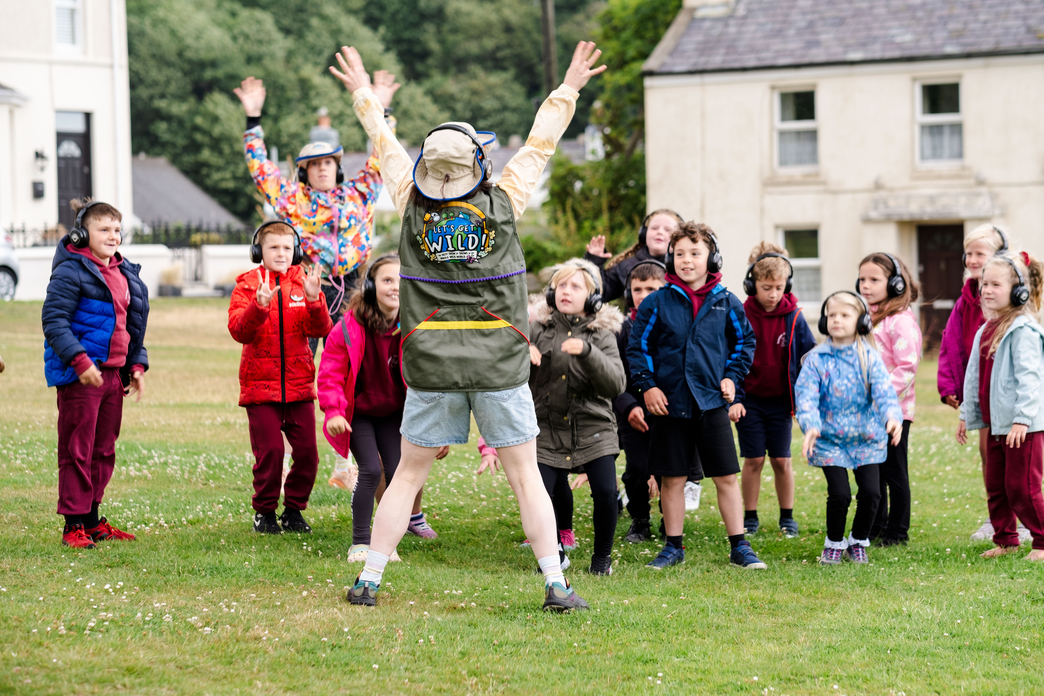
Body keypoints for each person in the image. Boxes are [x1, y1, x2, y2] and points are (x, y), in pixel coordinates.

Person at [329, 40, 606, 611]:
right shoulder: (505, 199)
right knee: (525, 477)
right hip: (499, 362)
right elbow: (540, 141)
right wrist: (569, 86)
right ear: (478, 163)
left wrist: (361, 91)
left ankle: (369, 581)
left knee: (406, 476)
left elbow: (383, 142)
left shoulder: (409, 199)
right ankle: (555, 584)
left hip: (431, 363)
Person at [627, 222, 765, 570]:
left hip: (711, 403)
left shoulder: (727, 302)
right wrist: (648, 386)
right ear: (670, 258)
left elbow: (744, 343)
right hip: (670, 404)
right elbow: (638, 347)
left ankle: (740, 546)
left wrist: (731, 377)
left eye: (695, 253)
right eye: (679, 254)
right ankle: (673, 547)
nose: (686, 260)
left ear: (712, 258)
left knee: (725, 477)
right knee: (672, 478)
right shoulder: (656, 302)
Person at [317, 253, 443, 562]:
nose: (395, 286)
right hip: (359, 413)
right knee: (371, 471)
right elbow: (331, 373)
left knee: (399, 475)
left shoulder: (417, 326)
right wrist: (333, 411)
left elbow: (432, 378)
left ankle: (387, 541)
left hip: (393, 414)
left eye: (401, 280)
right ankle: (361, 542)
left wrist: (437, 426)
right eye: (387, 280)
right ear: (371, 286)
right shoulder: (349, 327)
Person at [42, 198, 148, 549]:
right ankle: (73, 524)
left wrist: (136, 365)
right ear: (82, 234)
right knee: (77, 449)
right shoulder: (70, 271)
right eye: (104, 229)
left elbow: (132, 326)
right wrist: (80, 361)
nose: (113, 236)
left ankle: (92, 520)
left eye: (117, 229)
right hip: (82, 376)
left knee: (103, 450)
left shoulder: (124, 272)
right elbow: (54, 322)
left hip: (113, 376)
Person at [228, 221, 333, 534]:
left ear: (296, 252)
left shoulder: (304, 282)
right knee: (271, 453)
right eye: (273, 247)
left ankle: (294, 511)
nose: (281, 253)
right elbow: (238, 331)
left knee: (308, 455)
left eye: (287, 248)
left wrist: (314, 300)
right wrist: (258, 307)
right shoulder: (247, 285)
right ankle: (264, 512)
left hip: (299, 387)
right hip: (260, 387)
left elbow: (322, 329)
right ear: (258, 251)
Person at [528, 258, 627, 575]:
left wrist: (588, 352)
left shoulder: (603, 334)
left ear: (593, 296)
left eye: (575, 286)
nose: (565, 291)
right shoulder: (537, 330)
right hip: (547, 427)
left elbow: (616, 384)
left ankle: (602, 559)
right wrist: (522, 357)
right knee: (540, 494)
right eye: (560, 285)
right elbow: (511, 380)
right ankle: (554, 552)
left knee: (606, 493)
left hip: (594, 427)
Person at [937, 225, 1030, 543]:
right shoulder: (967, 299)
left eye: (981, 253)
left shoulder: (1013, 303)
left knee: (1018, 462)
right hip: (984, 394)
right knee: (989, 457)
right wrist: (950, 386)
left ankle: (1024, 520)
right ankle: (1000, 520)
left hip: (1013, 397)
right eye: (969, 253)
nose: (973, 259)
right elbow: (951, 343)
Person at [795, 291, 903, 565]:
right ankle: (834, 542)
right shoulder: (816, 360)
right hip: (829, 440)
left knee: (872, 493)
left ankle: (857, 541)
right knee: (840, 494)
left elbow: (884, 392)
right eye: (832, 315)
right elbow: (806, 397)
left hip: (866, 438)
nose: (837, 320)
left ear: (861, 322)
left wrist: (892, 416)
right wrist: (811, 426)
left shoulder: (870, 358)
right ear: (824, 321)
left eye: (845, 315)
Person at [957, 252, 1044, 561]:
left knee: (1022, 487)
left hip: (1022, 427)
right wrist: (966, 414)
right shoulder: (986, 329)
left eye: (996, 284)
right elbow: (973, 377)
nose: (987, 290)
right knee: (996, 486)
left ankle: (1042, 541)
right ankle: (1006, 540)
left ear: (1019, 291)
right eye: (985, 284)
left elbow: (1031, 379)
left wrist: (1023, 419)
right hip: (996, 424)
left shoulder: (1024, 331)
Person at [730, 242, 816, 538]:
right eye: (766, 287)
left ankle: (787, 517)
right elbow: (729, 358)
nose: (773, 294)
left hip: (781, 403)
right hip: (749, 402)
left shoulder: (795, 317)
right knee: (753, 460)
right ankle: (750, 517)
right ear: (751, 284)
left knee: (781, 460)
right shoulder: (740, 315)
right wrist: (735, 398)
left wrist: (807, 400)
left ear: (787, 285)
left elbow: (809, 360)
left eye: (779, 287)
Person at [857, 252, 922, 546]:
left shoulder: (900, 321)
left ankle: (897, 532)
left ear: (895, 283)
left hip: (893, 411)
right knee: (874, 472)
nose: (865, 285)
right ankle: (876, 525)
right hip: (868, 410)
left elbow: (907, 367)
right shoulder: (868, 318)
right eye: (862, 279)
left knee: (894, 471)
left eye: (874, 279)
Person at [615, 259, 667, 542]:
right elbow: (614, 378)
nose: (643, 295)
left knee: (670, 470)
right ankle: (640, 521)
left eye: (651, 289)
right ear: (628, 293)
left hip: (668, 410)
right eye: (637, 289)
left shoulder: (674, 326)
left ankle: (671, 519)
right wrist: (629, 406)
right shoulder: (620, 330)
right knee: (636, 469)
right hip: (632, 411)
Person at [585, 209, 682, 303]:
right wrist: (594, 261)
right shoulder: (626, 266)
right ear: (644, 233)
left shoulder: (683, 266)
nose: (660, 232)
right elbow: (601, 292)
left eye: (668, 230)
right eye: (654, 228)